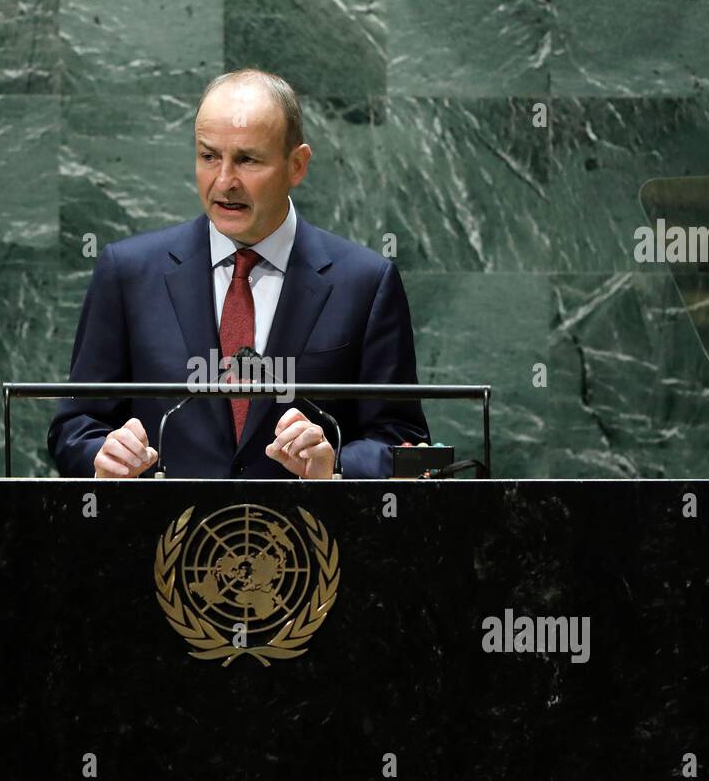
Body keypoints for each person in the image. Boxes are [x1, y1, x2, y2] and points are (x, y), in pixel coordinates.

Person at [48, 68, 429, 479]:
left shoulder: (365, 283)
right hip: (165, 537)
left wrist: (334, 466)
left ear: (296, 165)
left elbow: (400, 439)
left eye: (247, 160)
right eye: (209, 156)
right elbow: (75, 427)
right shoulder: (128, 273)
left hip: (306, 537)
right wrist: (103, 457)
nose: (225, 181)